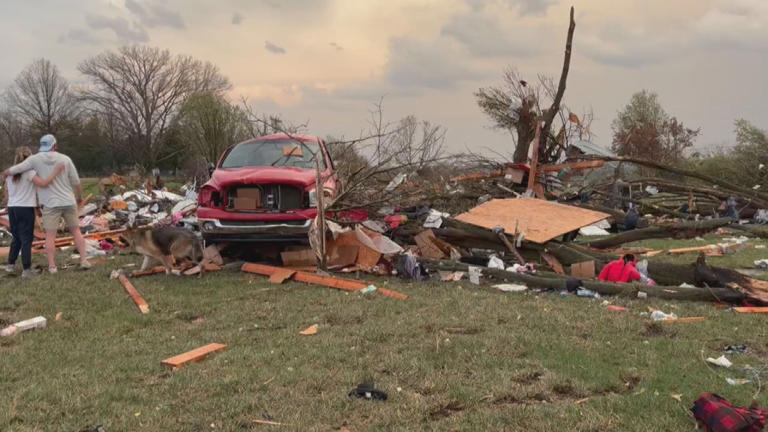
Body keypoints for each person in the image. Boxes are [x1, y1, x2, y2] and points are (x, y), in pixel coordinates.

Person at [3, 134, 91, 273]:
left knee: (50, 236)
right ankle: (84, 260)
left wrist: (6, 173)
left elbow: (14, 171)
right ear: (55, 145)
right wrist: (79, 197)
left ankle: (52, 266)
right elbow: (76, 182)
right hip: (68, 200)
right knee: (76, 231)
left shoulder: (34, 159)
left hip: (49, 204)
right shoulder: (65, 159)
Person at [3, 147, 65, 277]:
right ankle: (26, 269)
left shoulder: (10, 173)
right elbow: (43, 184)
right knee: (26, 238)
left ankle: (10, 265)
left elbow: (7, 193)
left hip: (12, 208)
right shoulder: (30, 173)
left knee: (17, 238)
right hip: (25, 208)